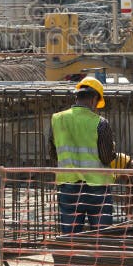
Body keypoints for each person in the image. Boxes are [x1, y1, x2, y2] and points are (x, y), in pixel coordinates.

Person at [49, 77, 116, 234]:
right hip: (97, 186)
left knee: (70, 237)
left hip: (68, 185)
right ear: (94, 99)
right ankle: (101, 259)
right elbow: (106, 157)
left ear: (76, 97)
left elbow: (53, 153)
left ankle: (72, 259)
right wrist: (113, 151)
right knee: (102, 237)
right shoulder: (101, 123)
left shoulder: (57, 119)